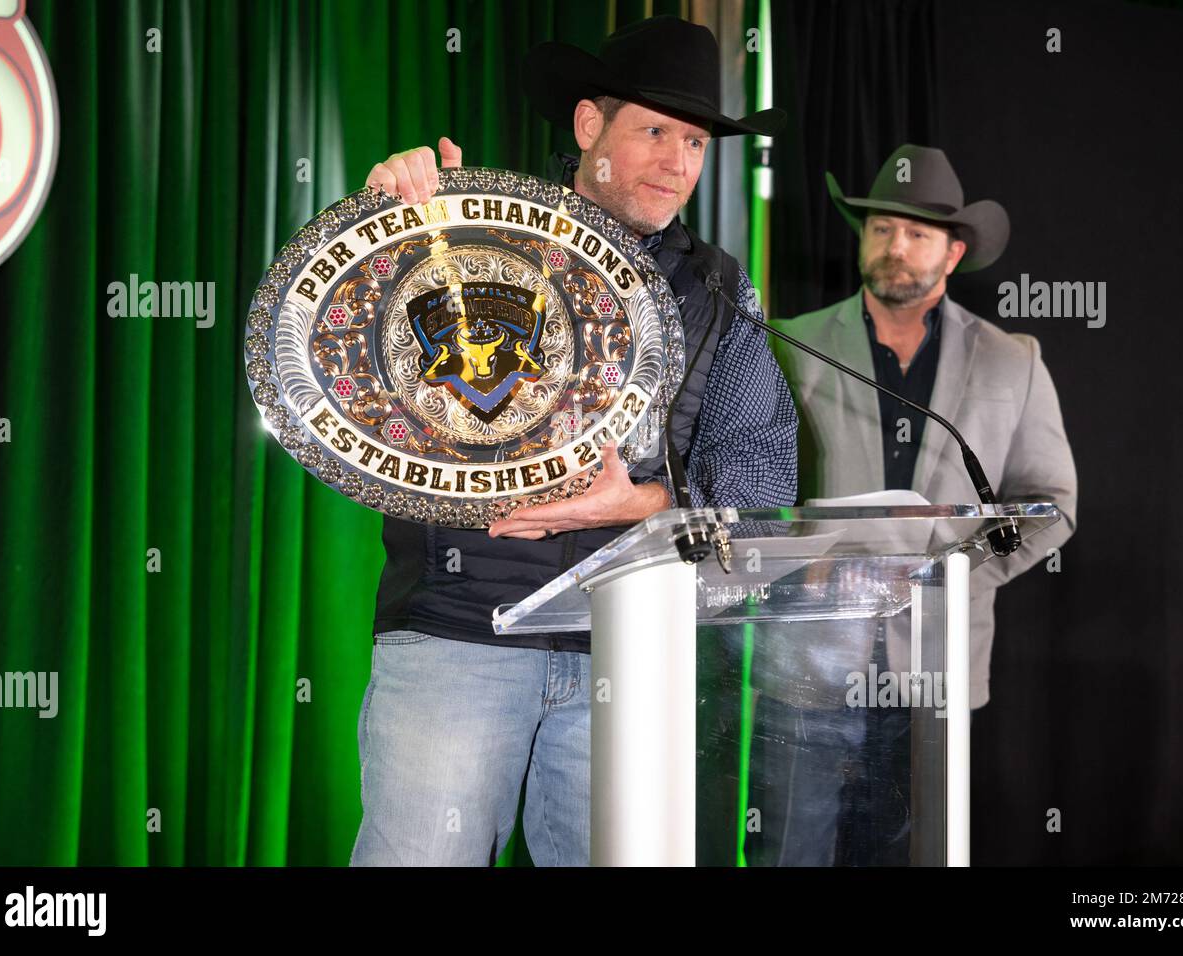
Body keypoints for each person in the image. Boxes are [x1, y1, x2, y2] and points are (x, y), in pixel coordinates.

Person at [351, 16, 799, 866]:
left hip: (628, 646)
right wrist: (387, 222)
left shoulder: (717, 284)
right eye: (655, 131)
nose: (678, 163)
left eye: (697, 143)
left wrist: (649, 506)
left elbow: (762, 471)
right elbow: (354, 369)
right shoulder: (470, 236)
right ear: (589, 125)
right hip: (457, 636)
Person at [746, 144, 1078, 865]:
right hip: (809, 660)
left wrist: (953, 573)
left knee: (915, 853)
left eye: (918, 234)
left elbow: (1050, 505)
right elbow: (747, 490)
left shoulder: (1010, 359)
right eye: (880, 230)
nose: (896, 247)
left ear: (953, 252)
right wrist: (793, 566)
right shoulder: (792, 345)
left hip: (937, 663)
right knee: (788, 852)